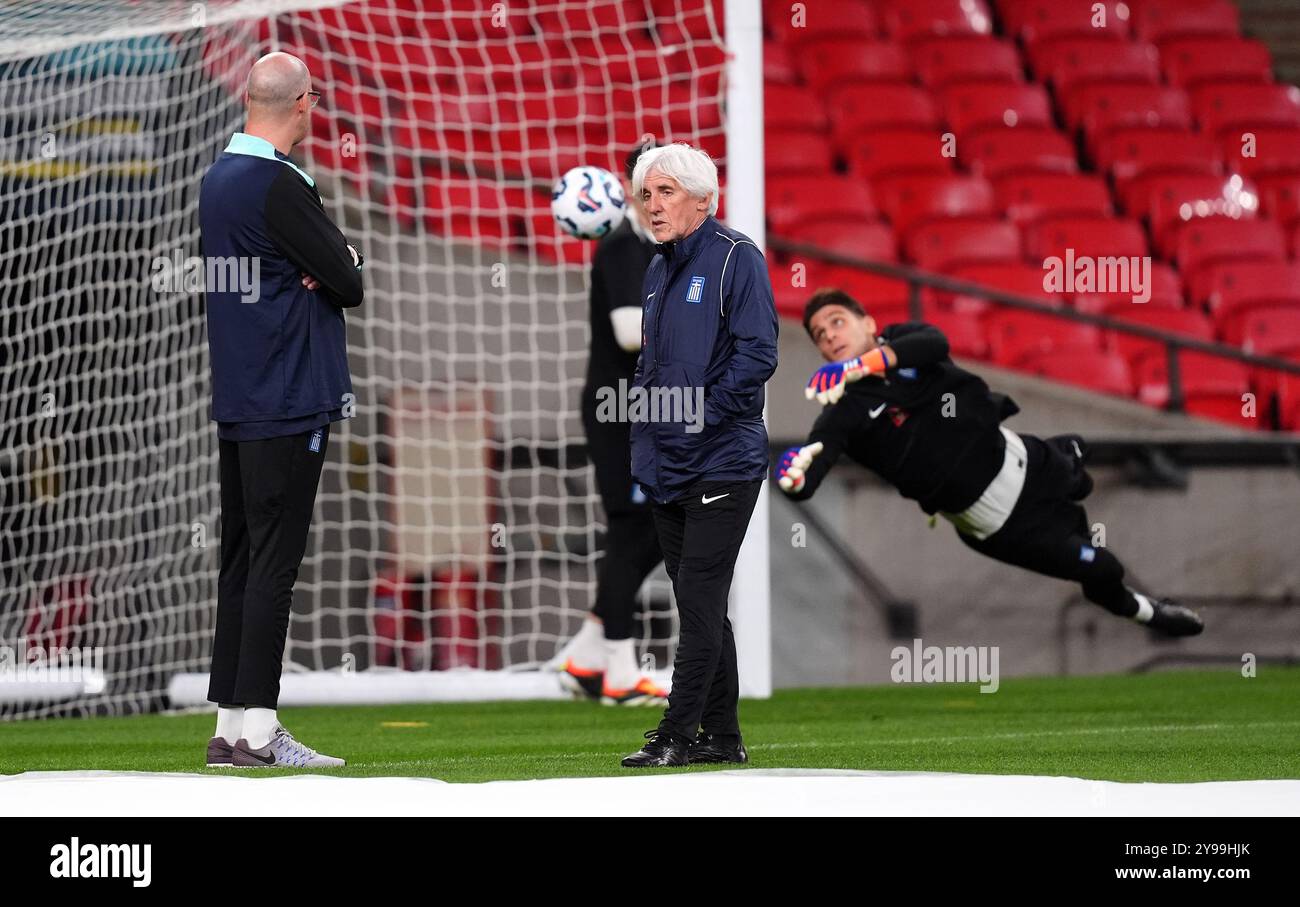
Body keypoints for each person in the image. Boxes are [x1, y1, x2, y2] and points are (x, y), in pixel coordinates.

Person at [777, 288, 1205, 638]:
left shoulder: (905, 343)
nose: (829, 335)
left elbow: (933, 344)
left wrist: (863, 363)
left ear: (867, 323)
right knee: (1104, 566)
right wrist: (796, 479)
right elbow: (814, 464)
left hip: (1027, 460)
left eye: (837, 322)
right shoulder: (843, 412)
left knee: (1077, 460)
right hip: (1001, 523)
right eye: (818, 334)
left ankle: (1070, 482)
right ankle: (1144, 611)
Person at [200, 52, 363, 768]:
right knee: (274, 564)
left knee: (239, 562)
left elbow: (312, 270)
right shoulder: (278, 184)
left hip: (239, 395)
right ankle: (263, 732)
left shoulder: (217, 180)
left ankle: (229, 726)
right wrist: (326, 267)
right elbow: (349, 278)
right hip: (288, 398)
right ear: (305, 103)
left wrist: (314, 270)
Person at [619, 143, 779, 768]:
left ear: (703, 198)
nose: (652, 205)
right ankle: (723, 735)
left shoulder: (738, 258)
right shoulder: (658, 269)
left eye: (665, 192)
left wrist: (698, 413)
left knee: (701, 595)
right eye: (646, 194)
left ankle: (676, 732)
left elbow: (758, 355)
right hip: (668, 462)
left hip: (724, 459)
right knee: (698, 599)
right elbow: (652, 367)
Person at [548, 143, 670, 706]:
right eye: (650, 185)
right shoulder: (623, 246)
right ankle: (618, 672)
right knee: (635, 530)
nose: (659, 197)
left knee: (653, 531)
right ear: (630, 189)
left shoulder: (650, 249)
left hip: (641, 410)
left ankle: (589, 652)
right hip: (618, 410)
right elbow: (628, 333)